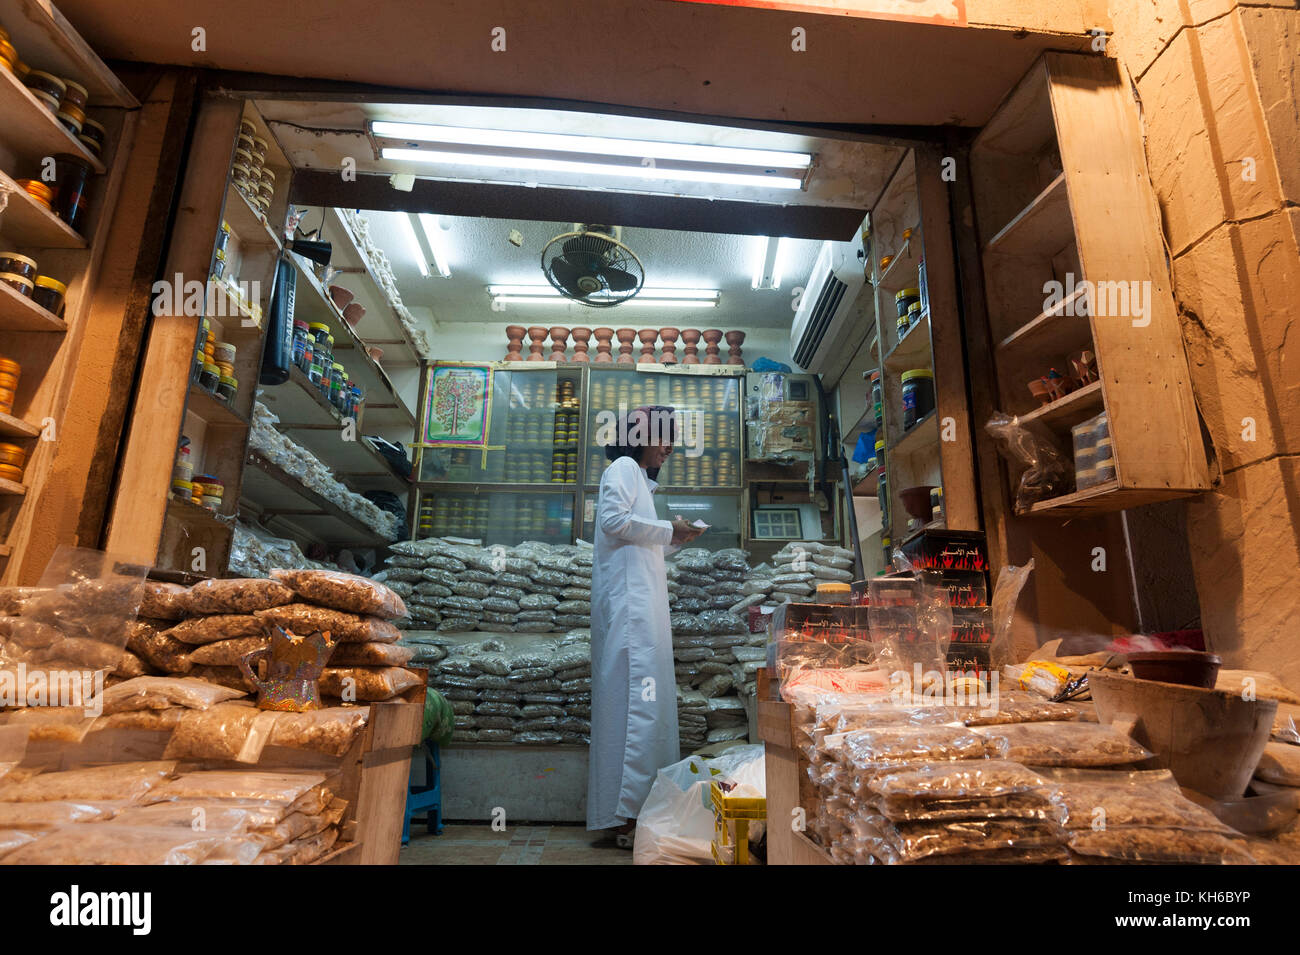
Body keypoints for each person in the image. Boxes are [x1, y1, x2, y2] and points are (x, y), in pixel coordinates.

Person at [587, 405, 704, 847]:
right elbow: (613, 522)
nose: (669, 447)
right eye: (663, 437)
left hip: (642, 608)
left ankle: (638, 813)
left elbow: (640, 547)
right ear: (639, 437)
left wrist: (674, 537)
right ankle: (627, 816)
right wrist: (666, 528)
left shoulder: (640, 481)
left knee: (645, 707)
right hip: (631, 613)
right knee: (636, 707)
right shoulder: (622, 468)